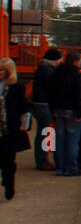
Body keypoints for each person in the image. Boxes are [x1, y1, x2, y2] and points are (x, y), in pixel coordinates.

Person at [49, 50, 81, 176]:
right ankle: (71, 167)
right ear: (78, 61)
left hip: (57, 110)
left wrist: (52, 109)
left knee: (59, 139)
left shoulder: (56, 73)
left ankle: (60, 167)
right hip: (72, 111)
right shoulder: (78, 75)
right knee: (72, 140)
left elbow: (50, 93)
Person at [1, 60, 32, 200]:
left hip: (9, 128)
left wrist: (24, 125)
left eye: (2, 70)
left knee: (8, 160)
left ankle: (8, 183)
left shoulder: (17, 87)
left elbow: (24, 107)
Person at [29, 48, 60, 171]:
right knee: (47, 131)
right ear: (55, 59)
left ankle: (42, 159)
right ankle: (43, 160)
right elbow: (53, 88)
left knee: (45, 132)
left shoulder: (42, 69)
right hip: (45, 104)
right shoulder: (48, 71)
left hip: (40, 103)